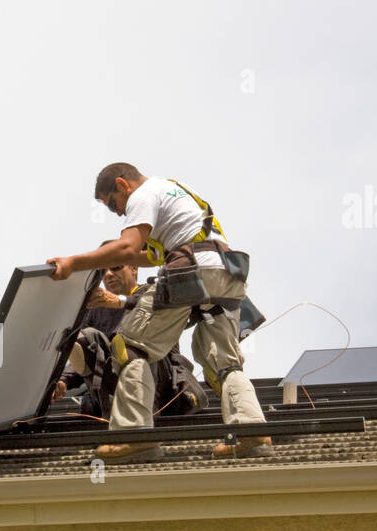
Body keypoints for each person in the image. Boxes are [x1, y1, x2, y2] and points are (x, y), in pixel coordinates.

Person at [47, 162, 272, 462]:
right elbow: (150, 256)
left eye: (113, 204)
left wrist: (74, 263)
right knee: (224, 360)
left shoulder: (143, 195)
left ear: (122, 184)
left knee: (130, 347)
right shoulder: (175, 190)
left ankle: (133, 436)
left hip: (191, 272)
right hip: (226, 272)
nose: (116, 213)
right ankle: (251, 431)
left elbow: (127, 248)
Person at [51, 251, 204, 421]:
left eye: (115, 267)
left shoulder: (153, 294)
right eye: (103, 271)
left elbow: (152, 308)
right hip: (112, 383)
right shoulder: (94, 311)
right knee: (84, 337)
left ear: (134, 268)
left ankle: (140, 425)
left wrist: (119, 301)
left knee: (132, 348)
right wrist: (63, 381)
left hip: (158, 380)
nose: (108, 274)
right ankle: (116, 423)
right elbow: (85, 350)